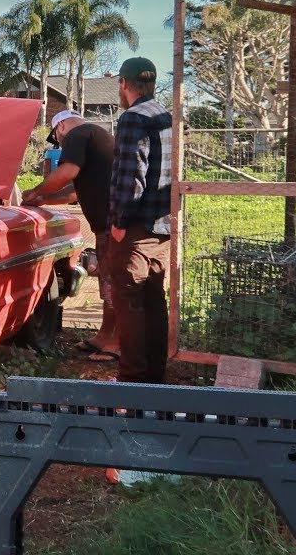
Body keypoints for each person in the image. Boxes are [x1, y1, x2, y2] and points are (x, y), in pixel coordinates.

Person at [22, 109, 118, 362]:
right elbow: (71, 192)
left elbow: (66, 173)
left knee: (114, 286)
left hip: (114, 224)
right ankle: (104, 337)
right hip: (111, 223)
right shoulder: (97, 136)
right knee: (107, 284)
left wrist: (34, 192)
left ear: (61, 126)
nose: (61, 144)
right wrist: (42, 198)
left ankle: (116, 345)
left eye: (57, 138)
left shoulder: (78, 133)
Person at [108, 57, 172, 384]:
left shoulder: (132, 118)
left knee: (129, 303)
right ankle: (154, 381)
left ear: (123, 83)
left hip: (136, 229)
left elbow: (131, 175)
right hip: (162, 228)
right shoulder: (166, 117)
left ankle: (131, 385)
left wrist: (119, 222)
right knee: (153, 304)